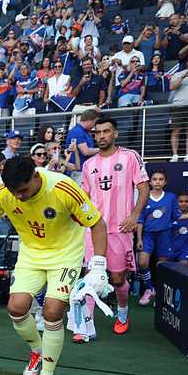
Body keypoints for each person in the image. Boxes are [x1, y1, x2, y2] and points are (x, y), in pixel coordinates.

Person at [0, 157, 108, 375]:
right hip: (31, 254)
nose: (18, 197)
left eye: (23, 190)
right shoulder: (4, 193)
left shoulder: (64, 188)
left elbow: (98, 224)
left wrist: (99, 266)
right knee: (16, 308)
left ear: (36, 177)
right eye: (14, 192)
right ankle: (38, 351)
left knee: (52, 311)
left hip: (65, 255)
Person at [78, 116, 149, 341]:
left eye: (106, 132)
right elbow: (84, 197)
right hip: (93, 230)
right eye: (97, 133)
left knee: (118, 279)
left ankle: (122, 313)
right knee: (91, 277)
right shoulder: (88, 165)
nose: (101, 136)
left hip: (120, 229)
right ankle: (85, 325)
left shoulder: (130, 157)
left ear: (115, 134)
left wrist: (135, 215)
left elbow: (144, 188)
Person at [135, 170, 177, 306]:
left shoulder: (171, 197)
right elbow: (140, 220)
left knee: (162, 266)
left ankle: (160, 294)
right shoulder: (144, 197)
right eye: (155, 179)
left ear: (165, 182)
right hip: (147, 235)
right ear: (150, 182)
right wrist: (139, 239)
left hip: (164, 235)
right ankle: (149, 288)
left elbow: (176, 216)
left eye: (161, 179)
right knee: (142, 263)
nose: (158, 181)